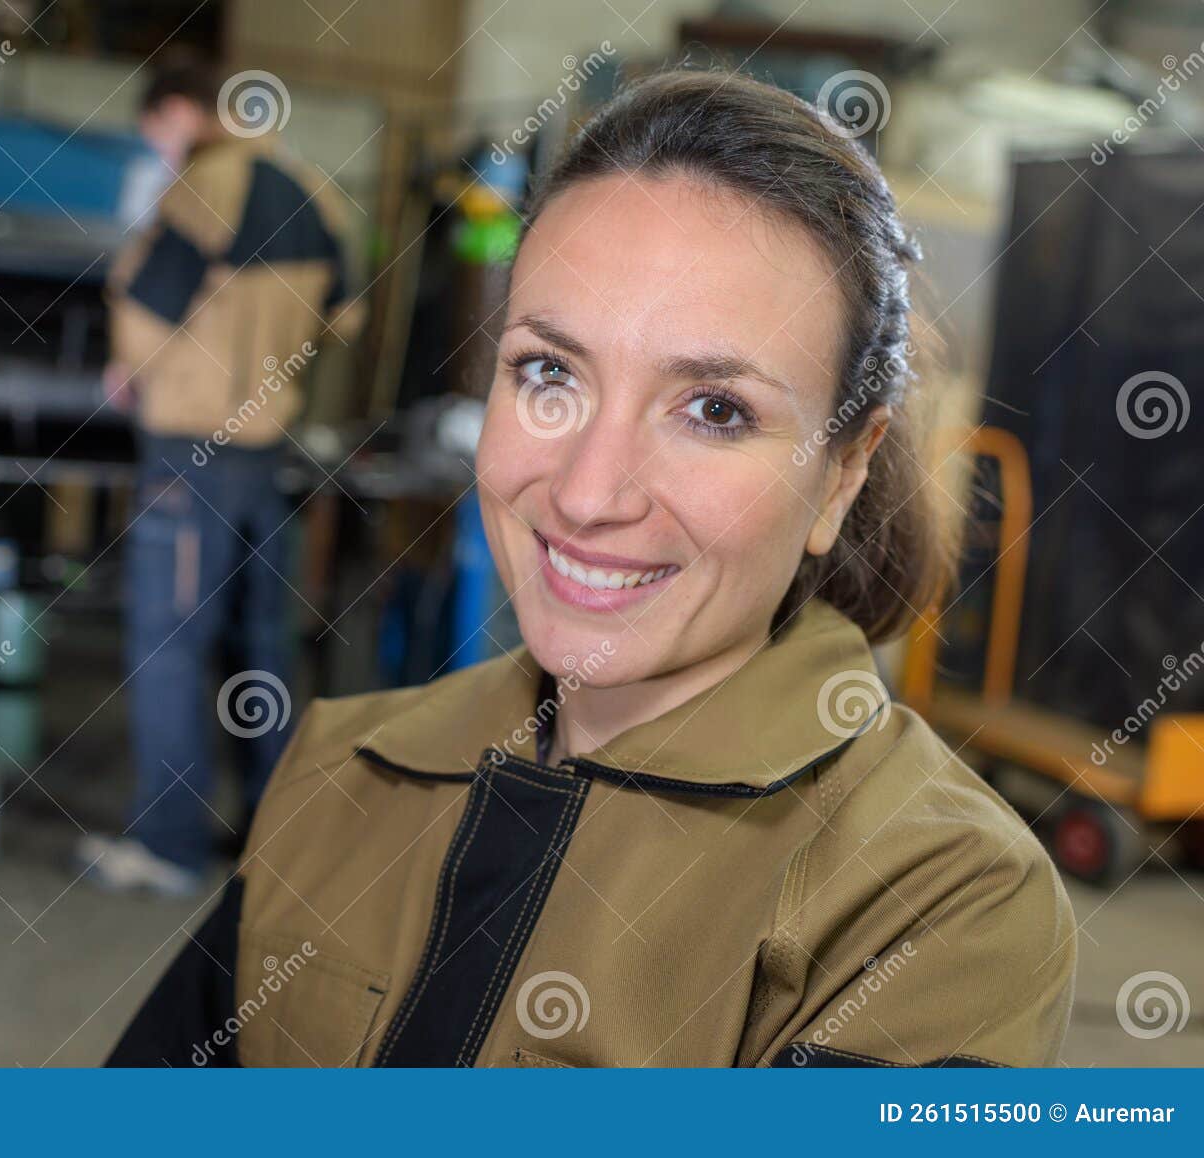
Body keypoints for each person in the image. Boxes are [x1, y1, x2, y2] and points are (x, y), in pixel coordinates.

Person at [106, 68, 1077, 1067]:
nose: (586, 492)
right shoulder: (340, 771)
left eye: (714, 409)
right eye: (548, 372)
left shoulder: (934, 899)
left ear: (841, 473)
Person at [78, 54, 363, 896]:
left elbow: (140, 317)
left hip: (187, 455)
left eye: (158, 132)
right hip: (267, 452)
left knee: (167, 644)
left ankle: (169, 847)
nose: (160, 150)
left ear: (183, 112)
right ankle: (272, 846)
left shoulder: (204, 188)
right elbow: (346, 315)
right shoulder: (314, 188)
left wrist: (141, 370)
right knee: (261, 647)